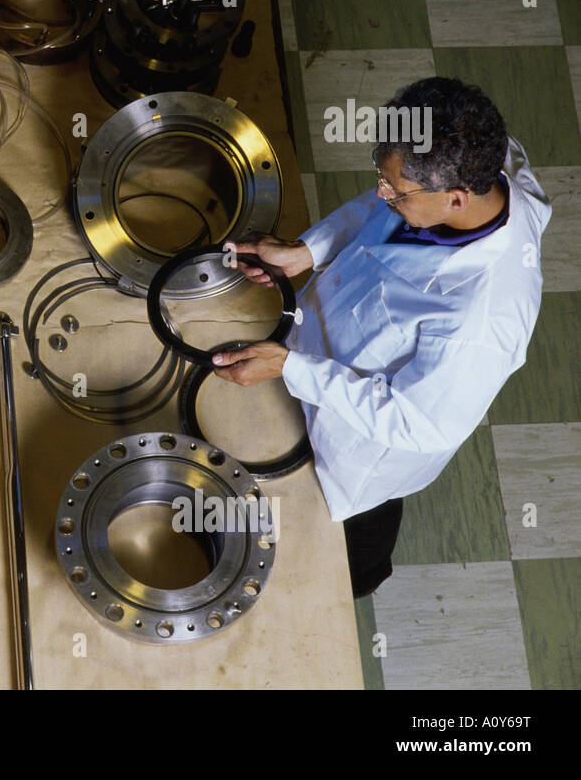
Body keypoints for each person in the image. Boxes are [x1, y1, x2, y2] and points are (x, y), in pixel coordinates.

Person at [209, 77, 551, 597]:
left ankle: (359, 581)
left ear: (456, 200)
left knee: (361, 532)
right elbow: (378, 211)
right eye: (382, 174)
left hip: (371, 442)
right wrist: (307, 251)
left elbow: (418, 424)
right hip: (323, 343)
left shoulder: (484, 318)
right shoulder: (468, 159)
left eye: (395, 187)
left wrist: (290, 368)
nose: (380, 192)